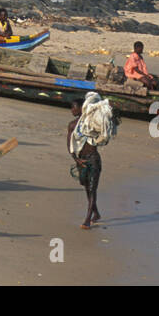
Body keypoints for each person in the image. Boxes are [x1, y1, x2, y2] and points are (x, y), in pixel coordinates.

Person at [67, 92, 115, 229]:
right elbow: (70, 145)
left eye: (74, 107)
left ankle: (87, 219)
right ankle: (96, 213)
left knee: (93, 189)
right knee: (87, 187)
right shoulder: (72, 125)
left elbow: (105, 130)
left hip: (93, 160)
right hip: (81, 160)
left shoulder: (92, 124)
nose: (72, 110)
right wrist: (76, 159)